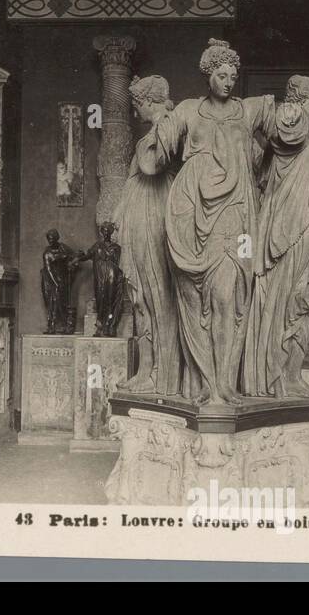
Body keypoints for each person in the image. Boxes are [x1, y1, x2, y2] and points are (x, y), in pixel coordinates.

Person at [146, 39, 278, 405]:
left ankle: (224, 384)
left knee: (226, 296)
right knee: (191, 300)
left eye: (233, 76)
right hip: (190, 210)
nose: (228, 82)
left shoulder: (248, 110)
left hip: (235, 213)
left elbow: (285, 134)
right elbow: (157, 155)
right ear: (209, 75)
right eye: (221, 75)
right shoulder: (189, 111)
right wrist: (158, 132)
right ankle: (202, 383)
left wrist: (264, 162)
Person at [243, 75, 309, 398]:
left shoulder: (295, 144)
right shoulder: (292, 131)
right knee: (290, 306)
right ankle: (282, 377)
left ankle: (289, 374)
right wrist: (292, 108)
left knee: (298, 306)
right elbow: (284, 126)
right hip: (290, 236)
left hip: (299, 233)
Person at [117, 74, 183, 393]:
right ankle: (147, 370)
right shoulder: (159, 129)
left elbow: (153, 166)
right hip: (142, 217)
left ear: (147, 102)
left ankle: (162, 373)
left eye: (137, 106)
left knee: (159, 297)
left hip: (156, 214)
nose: (135, 114)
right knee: (141, 297)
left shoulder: (168, 127)